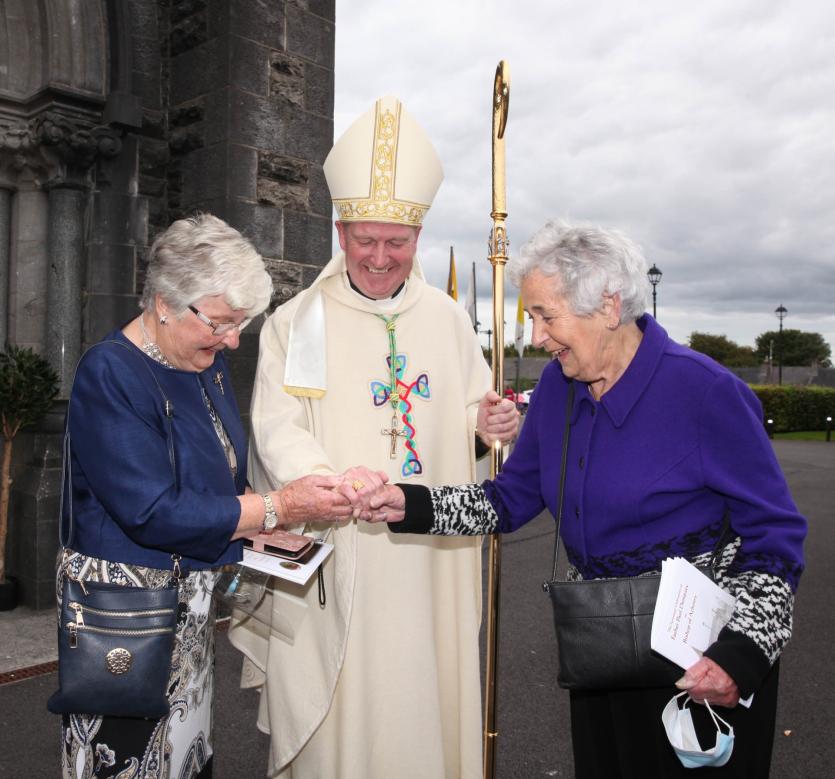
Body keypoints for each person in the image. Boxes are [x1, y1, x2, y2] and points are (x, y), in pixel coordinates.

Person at [365, 219, 807, 778]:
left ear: (607, 305)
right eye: (532, 317)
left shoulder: (708, 393)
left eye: (546, 316)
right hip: (601, 650)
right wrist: (409, 504)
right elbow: (510, 498)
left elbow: (776, 539)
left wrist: (741, 656)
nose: (536, 337)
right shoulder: (558, 385)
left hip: (702, 664)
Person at [227, 96, 518, 779]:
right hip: (339, 547)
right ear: (339, 230)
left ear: (417, 237)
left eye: (398, 242)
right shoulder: (298, 322)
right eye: (366, 240)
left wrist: (486, 428)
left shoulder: (448, 321)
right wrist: (333, 481)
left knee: (423, 696)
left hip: (425, 563)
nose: (381, 257)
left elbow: (471, 422)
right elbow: (275, 425)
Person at [56, 214, 353, 779]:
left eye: (240, 324)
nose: (233, 340)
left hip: (188, 608)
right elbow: (151, 511)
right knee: (126, 759)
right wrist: (277, 506)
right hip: (123, 616)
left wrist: (255, 523)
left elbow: (218, 474)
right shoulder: (110, 373)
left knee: (185, 755)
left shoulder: (202, 365)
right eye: (220, 322)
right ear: (165, 302)